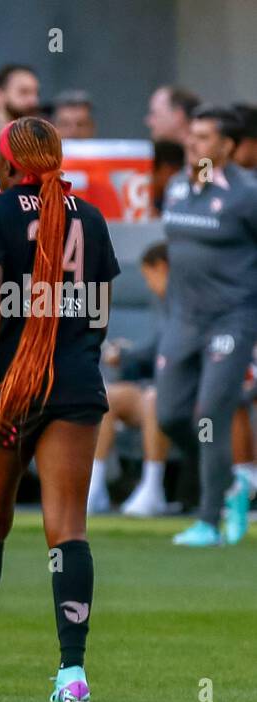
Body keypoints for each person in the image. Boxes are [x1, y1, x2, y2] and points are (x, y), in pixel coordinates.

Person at [0, 116, 120, 702]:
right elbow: (99, 313)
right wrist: (76, 360)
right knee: (68, 526)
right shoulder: (88, 217)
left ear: (10, 164)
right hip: (74, 385)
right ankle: (73, 673)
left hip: (9, 389)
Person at [157, 105, 257, 546]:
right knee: (170, 415)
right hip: (183, 318)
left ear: (227, 147)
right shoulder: (178, 186)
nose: (191, 144)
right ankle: (234, 482)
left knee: (209, 416)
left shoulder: (246, 194)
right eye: (190, 136)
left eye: (202, 138)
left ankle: (210, 520)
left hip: (231, 318)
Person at [91, 242, 173, 517]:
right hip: (153, 383)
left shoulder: (191, 300)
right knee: (105, 397)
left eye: (149, 276)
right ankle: (95, 487)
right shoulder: (161, 302)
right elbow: (155, 350)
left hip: (182, 391)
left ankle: (153, 488)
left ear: (161, 268)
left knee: (153, 400)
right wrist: (125, 355)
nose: (148, 285)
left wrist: (127, 356)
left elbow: (170, 350)